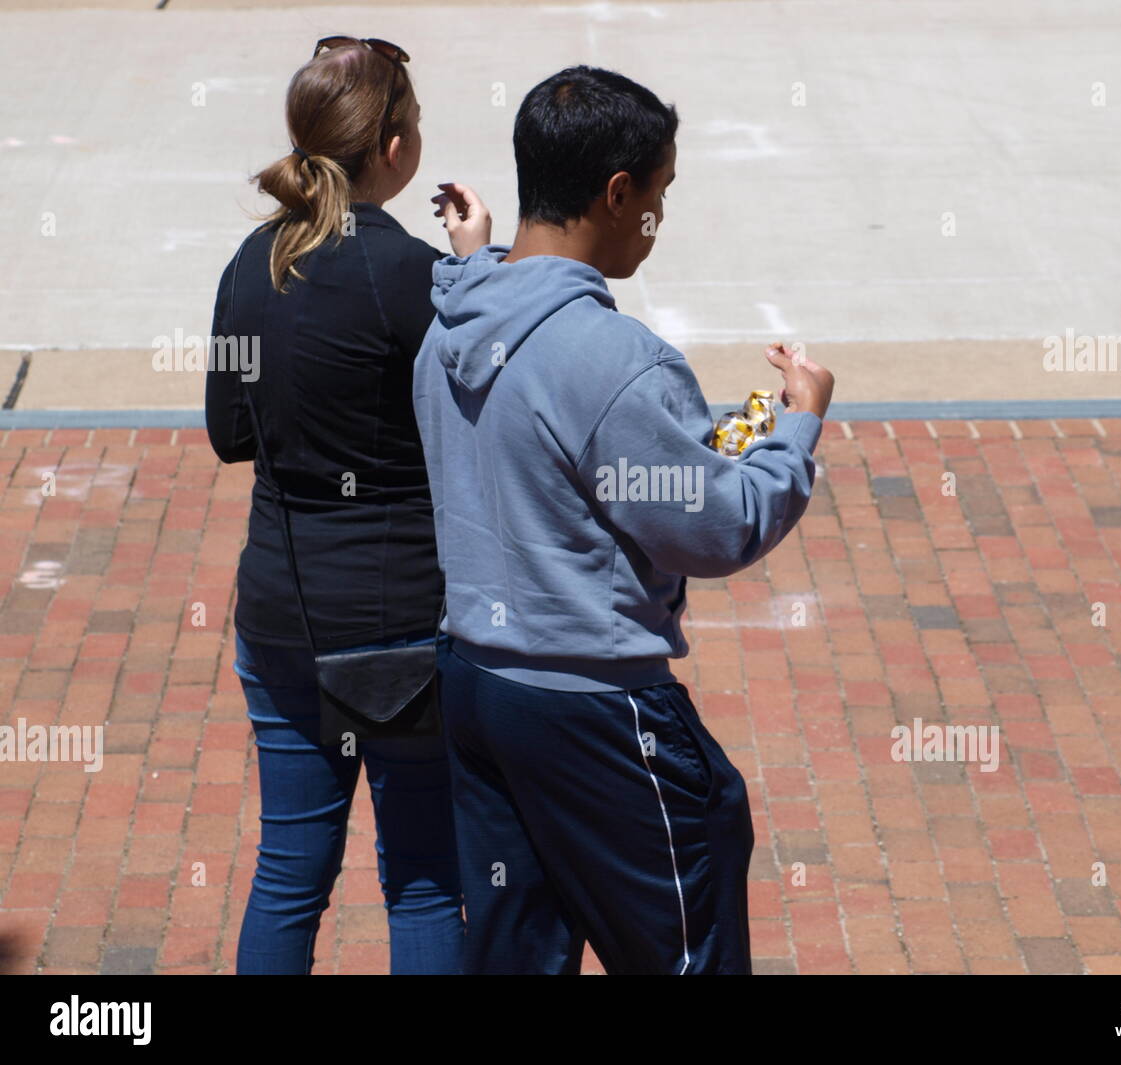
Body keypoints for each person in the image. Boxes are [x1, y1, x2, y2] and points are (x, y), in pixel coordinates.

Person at [412, 65, 834, 974]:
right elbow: (721, 527)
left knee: (514, 952)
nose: (660, 218)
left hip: (478, 687)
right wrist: (796, 426)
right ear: (616, 192)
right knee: (692, 934)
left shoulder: (447, 325)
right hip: (594, 712)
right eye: (660, 193)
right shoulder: (616, 360)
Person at [206, 35, 490, 974]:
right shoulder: (416, 275)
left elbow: (229, 432)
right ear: (396, 149)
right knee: (421, 874)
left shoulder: (253, 265)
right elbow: (479, 417)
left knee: (289, 871)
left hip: (282, 614)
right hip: (403, 624)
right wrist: (476, 267)